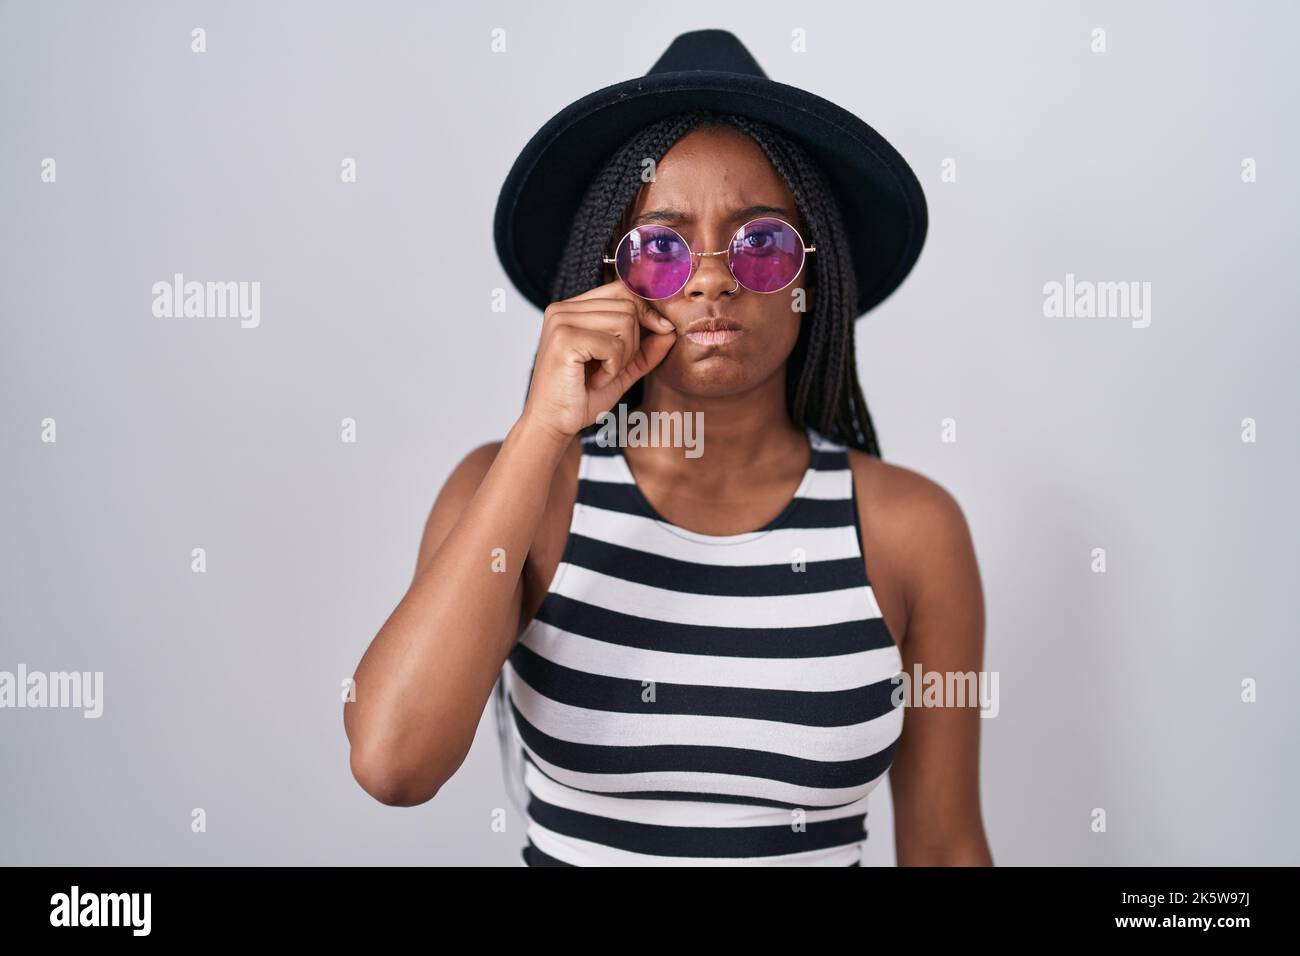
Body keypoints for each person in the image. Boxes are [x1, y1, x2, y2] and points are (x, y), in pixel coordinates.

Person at [344, 29, 991, 866]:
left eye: (763, 243)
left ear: (808, 281)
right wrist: (544, 427)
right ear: (606, 277)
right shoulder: (518, 490)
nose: (714, 277)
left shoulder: (911, 529)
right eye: (662, 245)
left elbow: (944, 845)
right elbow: (393, 763)